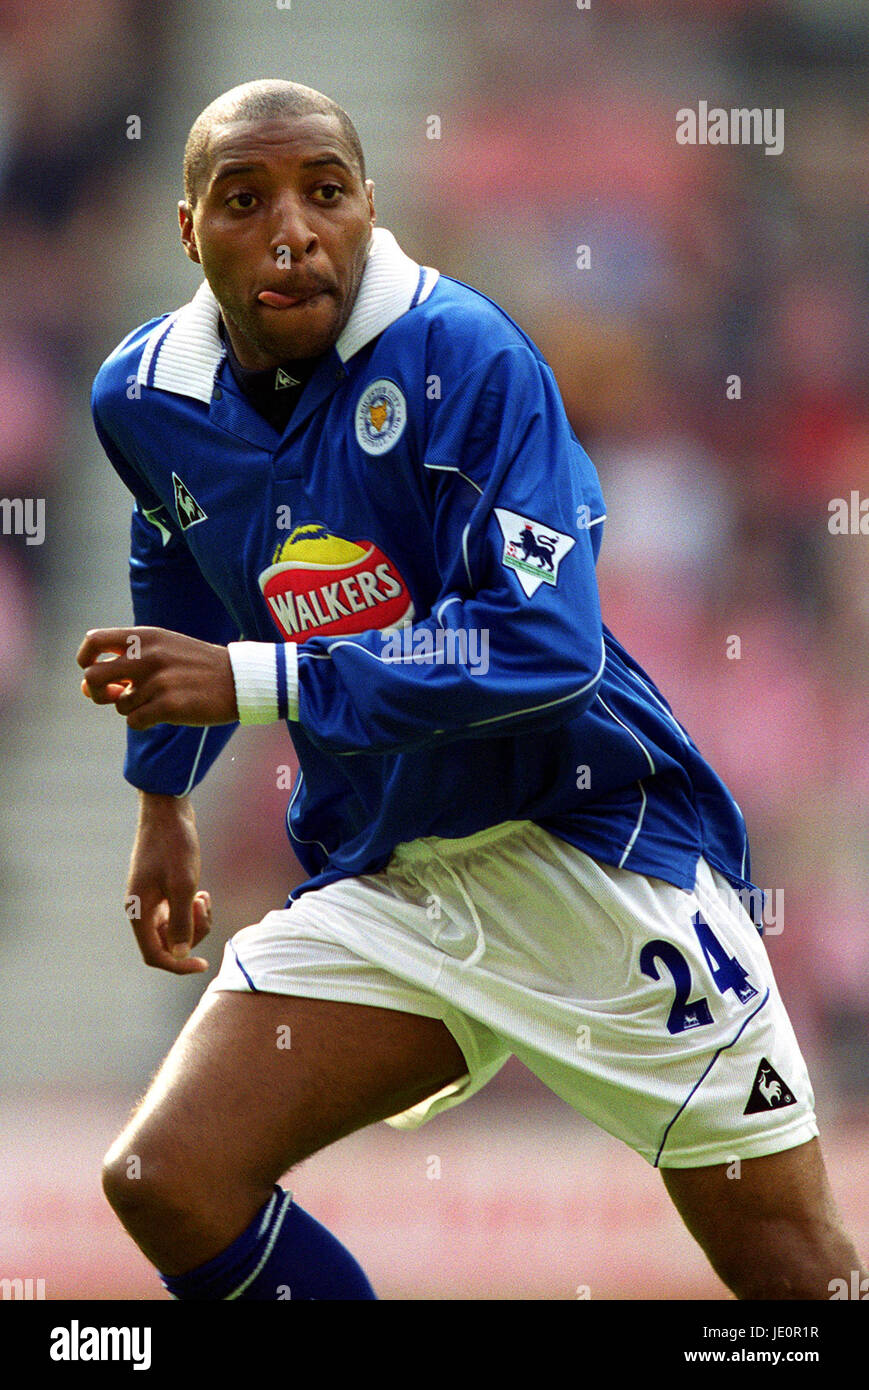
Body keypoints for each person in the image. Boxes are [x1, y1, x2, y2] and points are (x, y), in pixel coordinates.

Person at [78, 78, 863, 1301]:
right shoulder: (143, 399)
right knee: (166, 1178)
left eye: (323, 194)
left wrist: (254, 680)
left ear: (370, 208)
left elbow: (544, 647)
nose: (291, 229)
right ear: (187, 232)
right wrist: (160, 800)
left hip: (598, 860)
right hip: (393, 875)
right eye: (244, 200)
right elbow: (173, 552)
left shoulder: (466, 359)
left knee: (795, 1280)